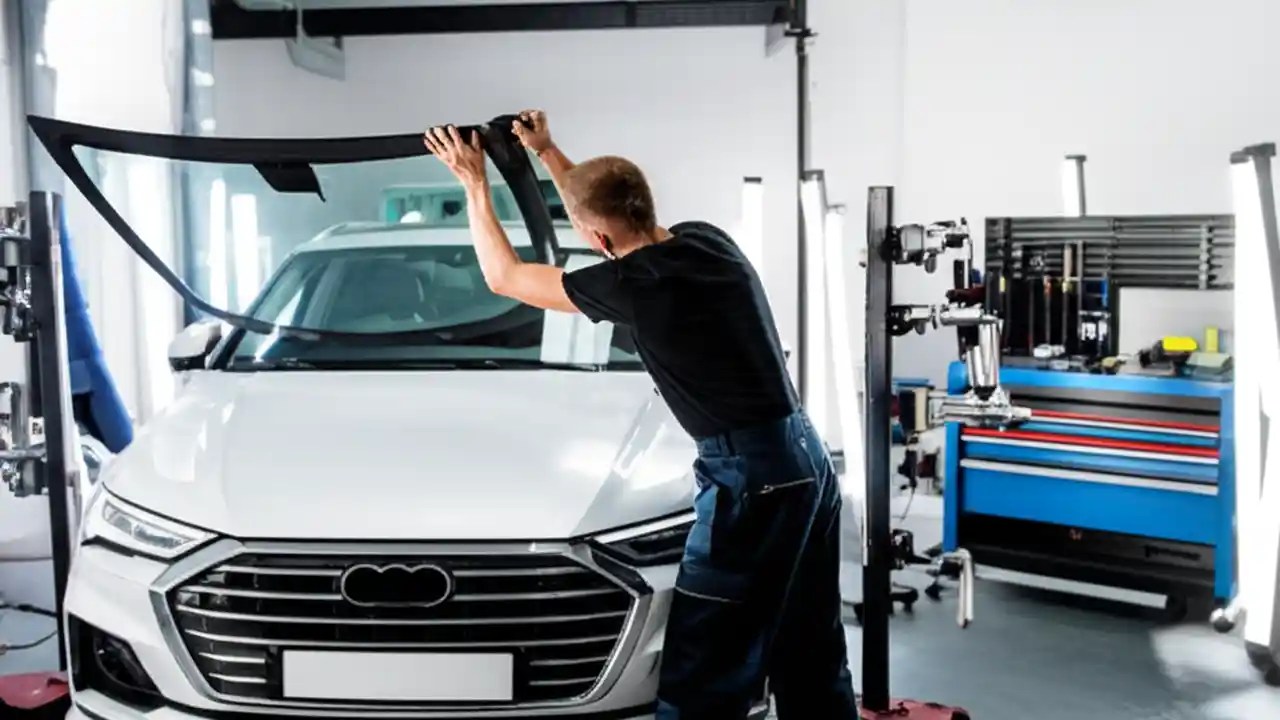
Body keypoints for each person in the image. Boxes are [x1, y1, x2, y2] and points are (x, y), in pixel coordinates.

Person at [423, 112, 858, 719]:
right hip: (805, 459)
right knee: (808, 639)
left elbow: (505, 277)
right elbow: (607, 207)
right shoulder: (706, 240)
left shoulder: (637, 286)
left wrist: (473, 183)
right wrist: (547, 152)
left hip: (749, 480)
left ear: (596, 242)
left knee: (708, 656)